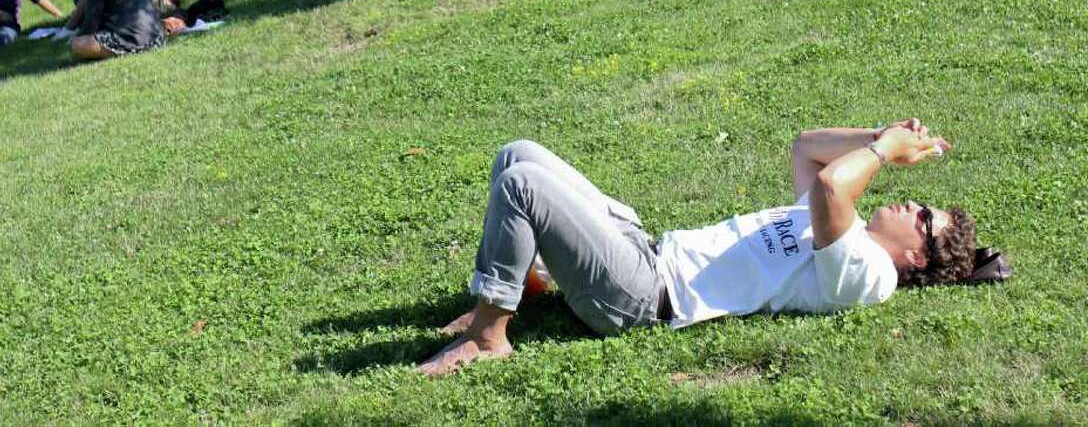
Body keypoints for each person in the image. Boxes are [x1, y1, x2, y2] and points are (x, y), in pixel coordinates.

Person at [419, 120, 986, 377]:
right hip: (645, 250)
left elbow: (834, 184)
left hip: (644, 295)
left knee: (523, 188)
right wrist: (876, 137)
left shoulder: (868, 276)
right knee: (519, 155)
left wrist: (883, 153)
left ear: (918, 257)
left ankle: (489, 336)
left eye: (923, 220)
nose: (913, 207)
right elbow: (808, 149)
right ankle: (523, 283)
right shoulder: (848, 230)